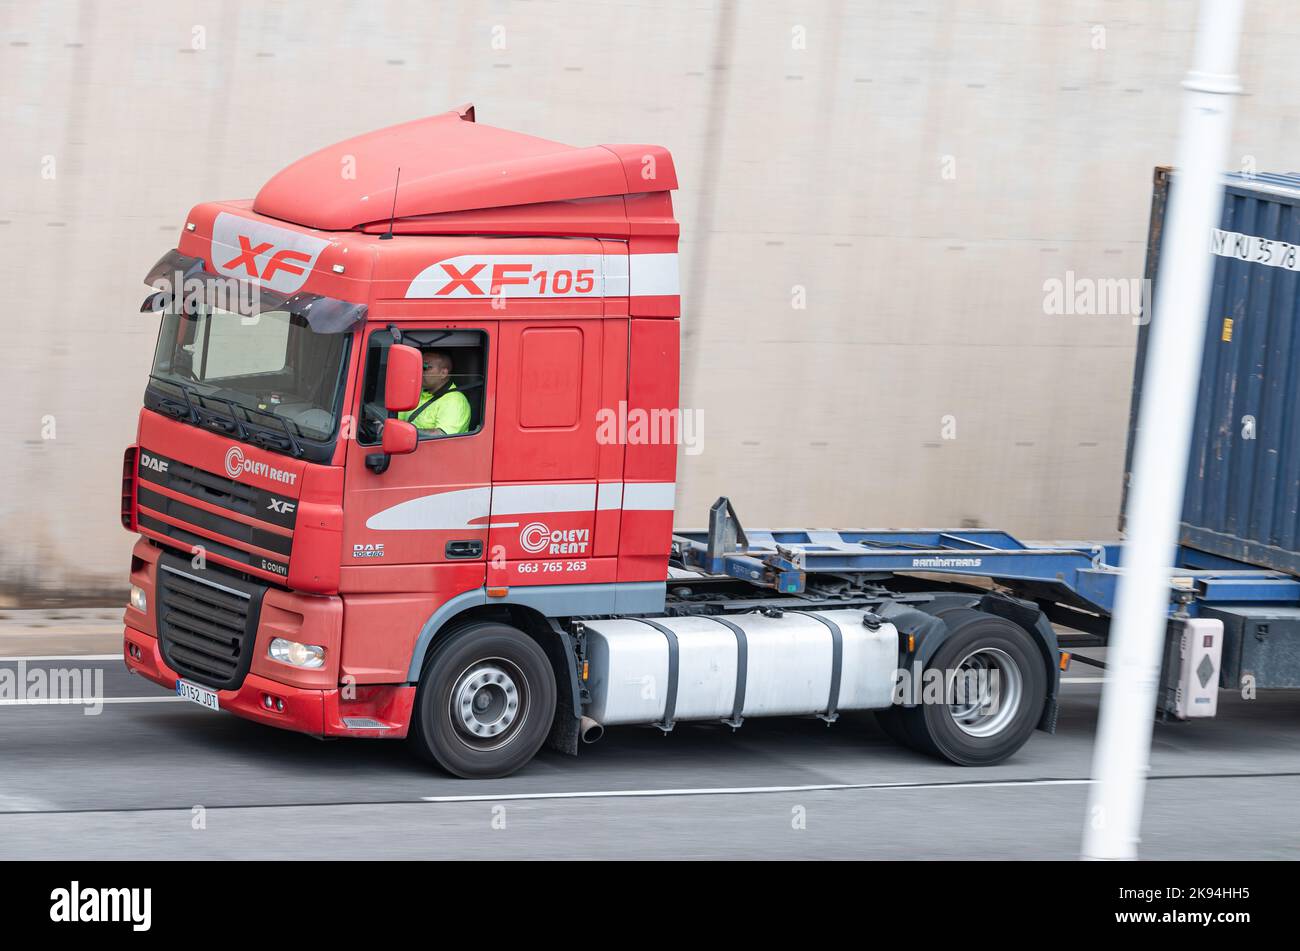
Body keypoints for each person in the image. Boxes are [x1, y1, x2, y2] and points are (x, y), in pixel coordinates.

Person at [398, 350, 471, 435]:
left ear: (443, 373)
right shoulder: (416, 393)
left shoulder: (455, 401)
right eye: (419, 366)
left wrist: (403, 431)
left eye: (425, 367)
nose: (420, 371)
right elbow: (397, 420)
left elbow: (440, 435)